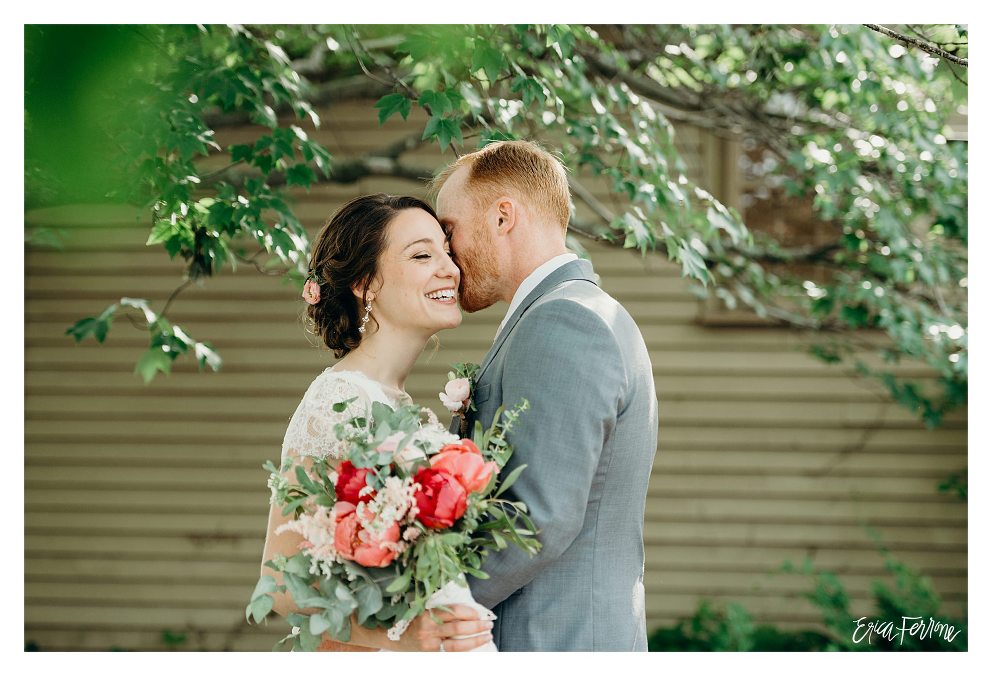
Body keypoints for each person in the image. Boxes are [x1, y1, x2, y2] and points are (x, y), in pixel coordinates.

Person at [430, 140, 659, 651]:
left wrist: (420, 603)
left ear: (503, 217)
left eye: (448, 232)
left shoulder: (564, 321)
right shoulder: (570, 313)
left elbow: (537, 516)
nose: (445, 254)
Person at [259, 194, 495, 652]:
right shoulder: (337, 401)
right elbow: (278, 586)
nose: (450, 268)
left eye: (447, 251)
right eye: (423, 255)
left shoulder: (404, 406)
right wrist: (404, 638)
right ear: (366, 284)